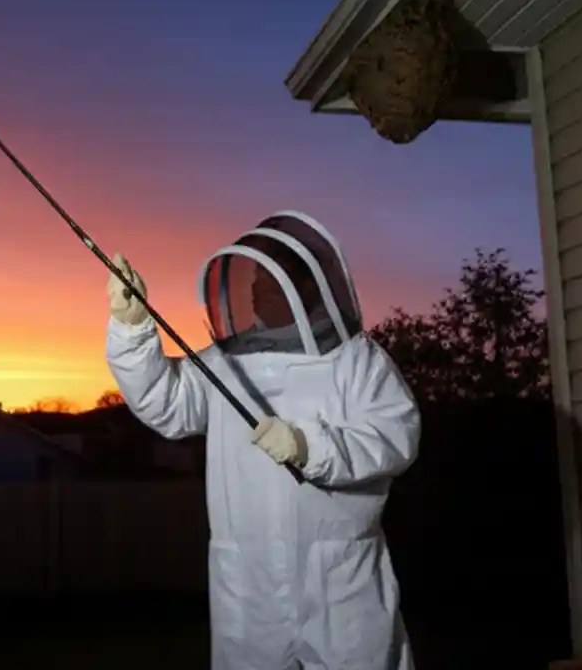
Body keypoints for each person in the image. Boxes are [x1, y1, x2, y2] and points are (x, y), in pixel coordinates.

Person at [105, 210, 420, 670]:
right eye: (254, 284)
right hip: (247, 582)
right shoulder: (223, 362)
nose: (255, 293)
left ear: (304, 288)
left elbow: (394, 438)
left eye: (268, 282)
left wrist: (310, 447)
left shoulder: (356, 361)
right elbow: (165, 403)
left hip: (342, 579)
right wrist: (132, 331)